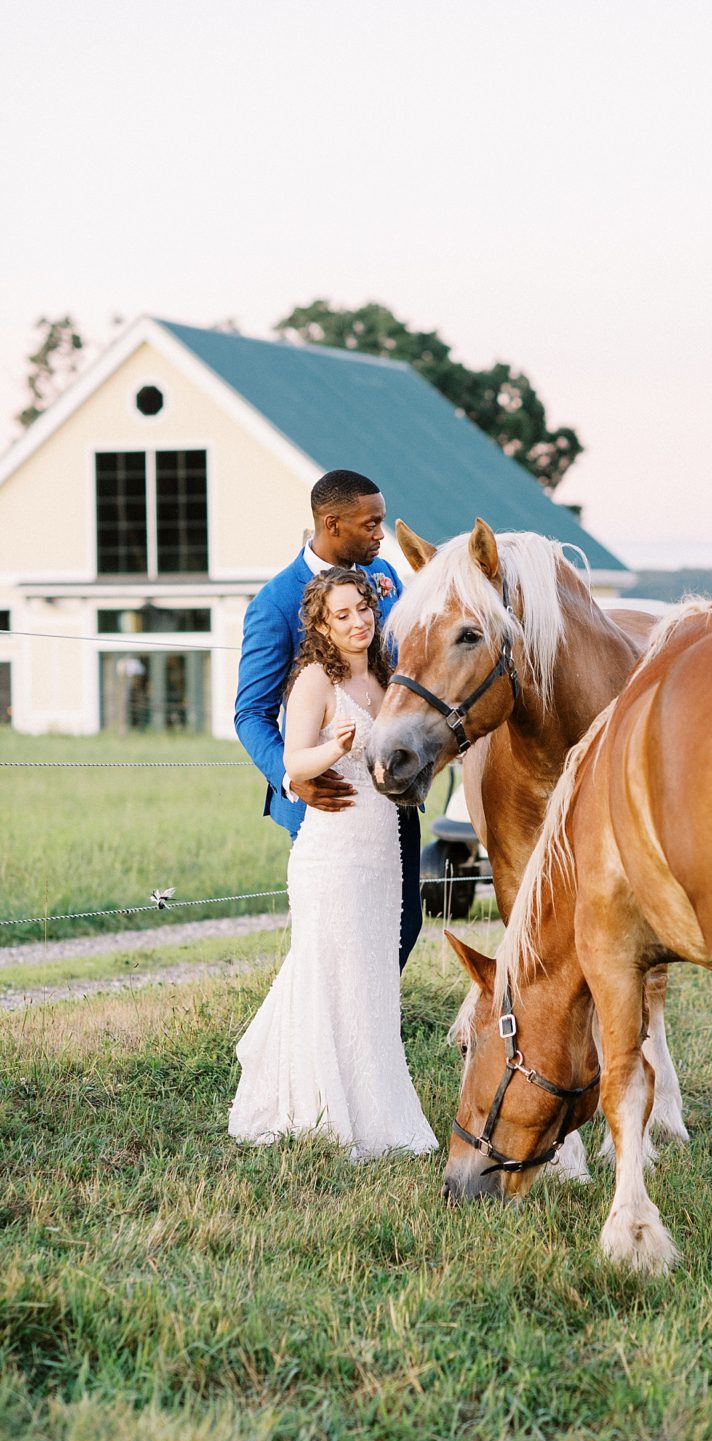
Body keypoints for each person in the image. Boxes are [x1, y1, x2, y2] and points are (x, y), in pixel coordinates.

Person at [229, 566, 438, 1159]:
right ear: (321, 623)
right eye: (342, 614)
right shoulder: (315, 681)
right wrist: (336, 748)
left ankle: (377, 1104)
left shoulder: (389, 677)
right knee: (328, 970)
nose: (358, 621)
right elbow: (294, 762)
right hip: (332, 851)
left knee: (370, 977)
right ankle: (317, 1106)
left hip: (382, 850)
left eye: (364, 609)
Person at [234, 469, 422, 968]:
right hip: (330, 801)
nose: (381, 535)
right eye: (371, 525)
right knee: (342, 936)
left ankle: (375, 1036)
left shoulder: (387, 579)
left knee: (403, 926)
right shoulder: (275, 603)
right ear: (333, 524)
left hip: (393, 792)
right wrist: (295, 778)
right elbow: (250, 714)